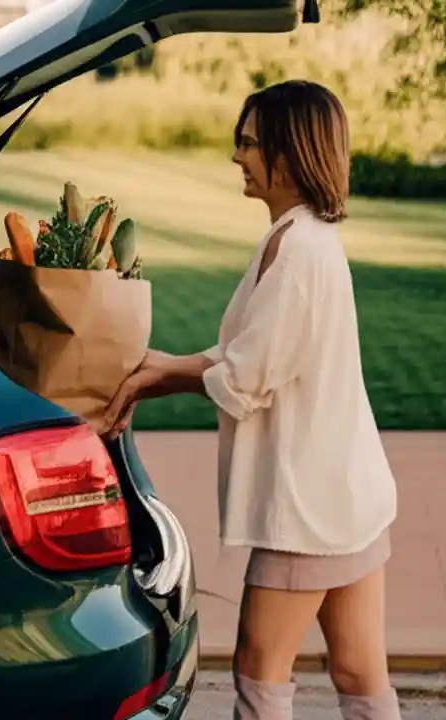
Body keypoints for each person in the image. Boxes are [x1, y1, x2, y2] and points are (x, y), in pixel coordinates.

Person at [100, 79, 400, 720]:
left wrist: (159, 377)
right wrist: (159, 364)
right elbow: (254, 354)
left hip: (307, 513)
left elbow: (246, 376)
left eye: (249, 143)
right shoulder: (306, 238)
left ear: (288, 156)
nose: (237, 156)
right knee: (358, 673)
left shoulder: (295, 255)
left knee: (259, 675)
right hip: (348, 497)